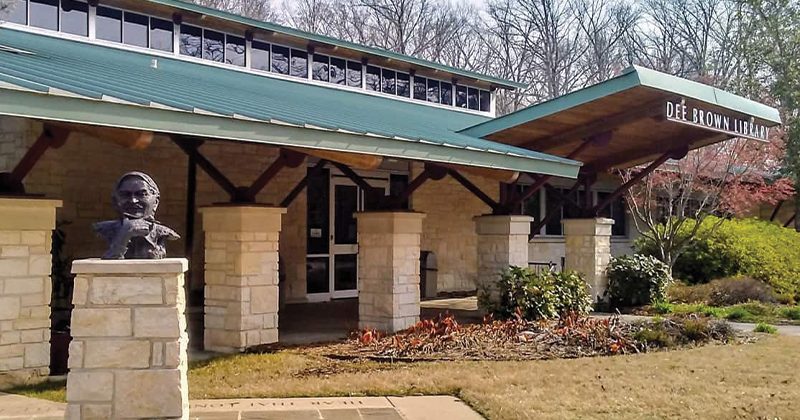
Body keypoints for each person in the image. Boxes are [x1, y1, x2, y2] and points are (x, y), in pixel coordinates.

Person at [93, 171, 179, 259]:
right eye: (125, 195)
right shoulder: (104, 229)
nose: (133, 201)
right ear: (115, 201)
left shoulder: (164, 232)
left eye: (141, 194)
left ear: (155, 202)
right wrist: (124, 235)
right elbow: (109, 264)